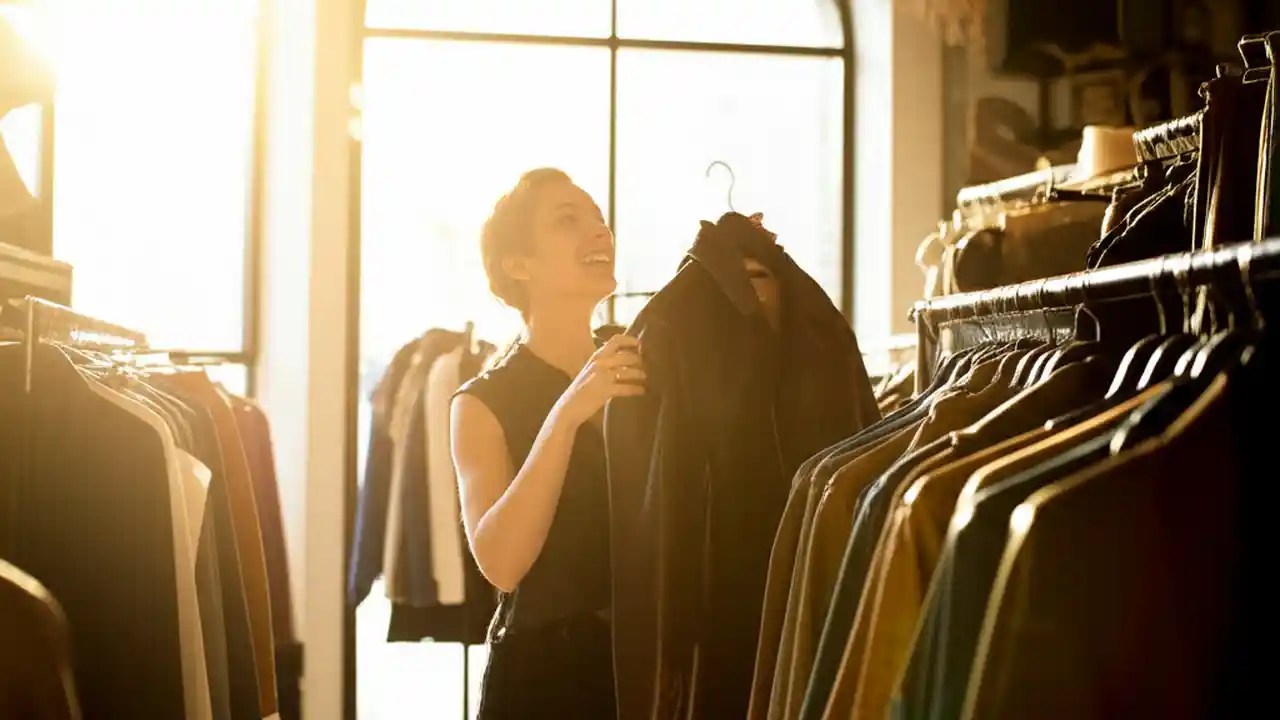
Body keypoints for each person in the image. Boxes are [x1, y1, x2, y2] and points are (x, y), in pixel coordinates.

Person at [450, 168, 644, 718]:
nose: (600, 231)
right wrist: (566, 416)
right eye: (568, 220)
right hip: (547, 679)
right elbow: (502, 564)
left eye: (599, 219)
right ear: (519, 264)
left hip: (651, 662)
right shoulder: (482, 401)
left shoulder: (642, 359)